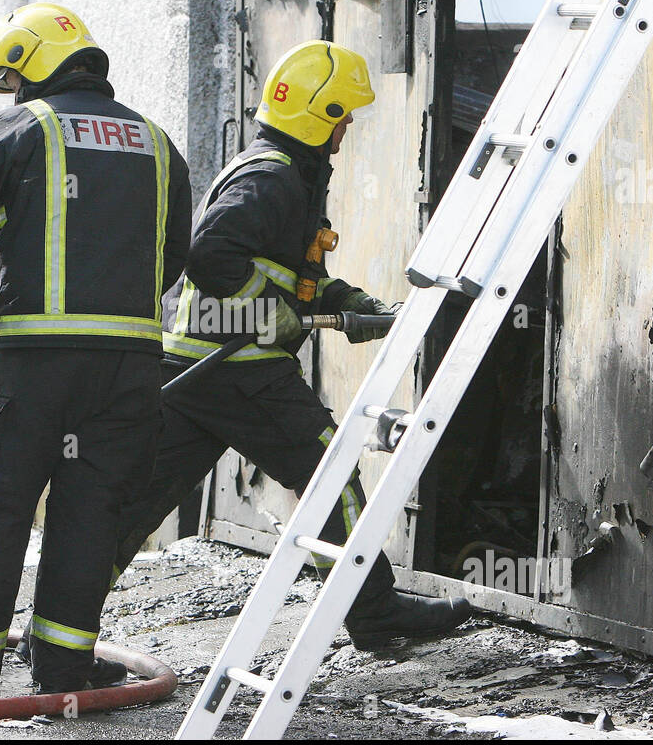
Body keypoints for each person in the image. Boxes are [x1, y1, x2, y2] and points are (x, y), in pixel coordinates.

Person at [108, 40, 472, 650]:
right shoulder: (274, 177)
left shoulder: (281, 170)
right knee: (332, 471)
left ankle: (60, 625)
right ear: (318, 114)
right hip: (240, 370)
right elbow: (209, 255)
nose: (349, 124)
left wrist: (345, 300)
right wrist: (269, 312)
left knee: (133, 501)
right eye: (342, 112)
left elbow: (283, 267)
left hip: (200, 368)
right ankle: (373, 610)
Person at [0, 3, 193, 699]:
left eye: (14, 81)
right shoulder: (155, 140)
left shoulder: (23, 127)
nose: (14, 95)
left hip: (34, 364)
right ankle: (63, 665)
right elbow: (175, 256)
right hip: (131, 368)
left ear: (30, 70)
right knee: (92, 511)